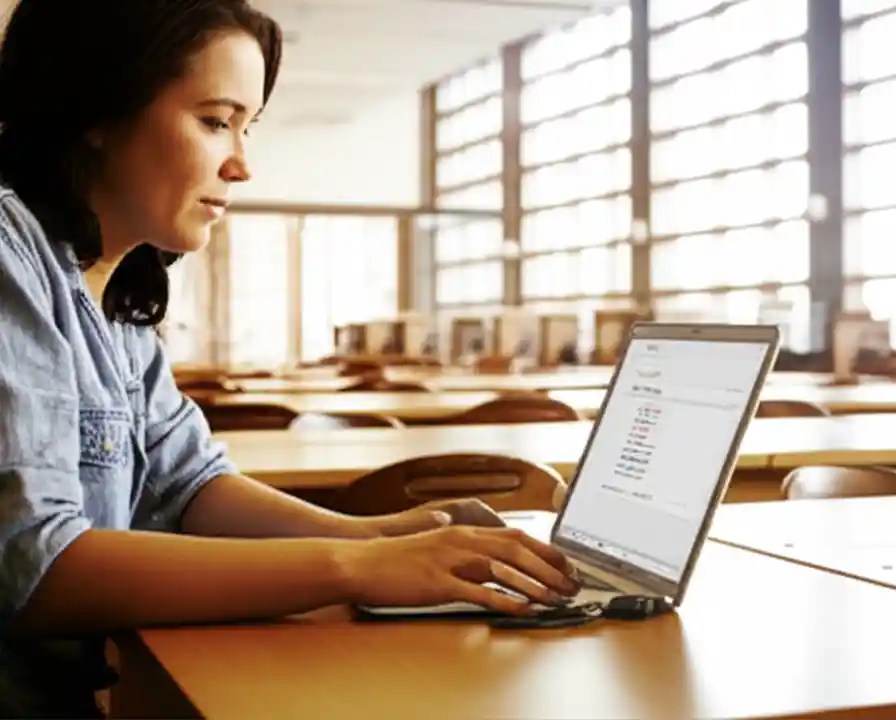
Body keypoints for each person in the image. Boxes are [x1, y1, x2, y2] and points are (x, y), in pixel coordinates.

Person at [0, 1, 578, 715]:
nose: (241, 164)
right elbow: (38, 569)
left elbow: (190, 487)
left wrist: (387, 533)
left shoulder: (113, 300)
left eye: (248, 126)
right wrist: (358, 566)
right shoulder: (7, 253)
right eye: (216, 121)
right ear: (96, 110)